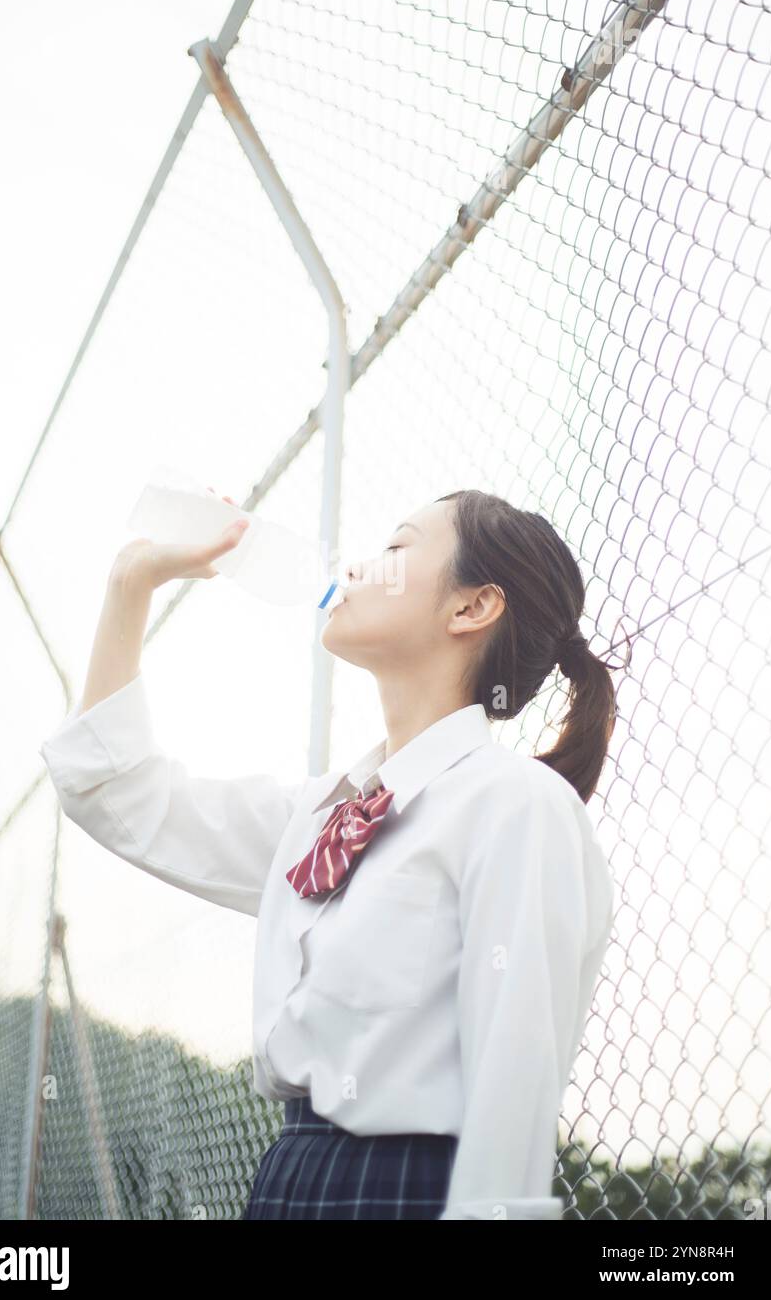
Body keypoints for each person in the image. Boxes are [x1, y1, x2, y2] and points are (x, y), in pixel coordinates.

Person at [39, 486, 619, 1220]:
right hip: (288, 1180)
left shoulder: (515, 805)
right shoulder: (320, 812)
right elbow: (115, 793)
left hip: (410, 1190)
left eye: (398, 549)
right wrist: (132, 581)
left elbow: (516, 1079)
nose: (361, 568)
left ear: (470, 608)